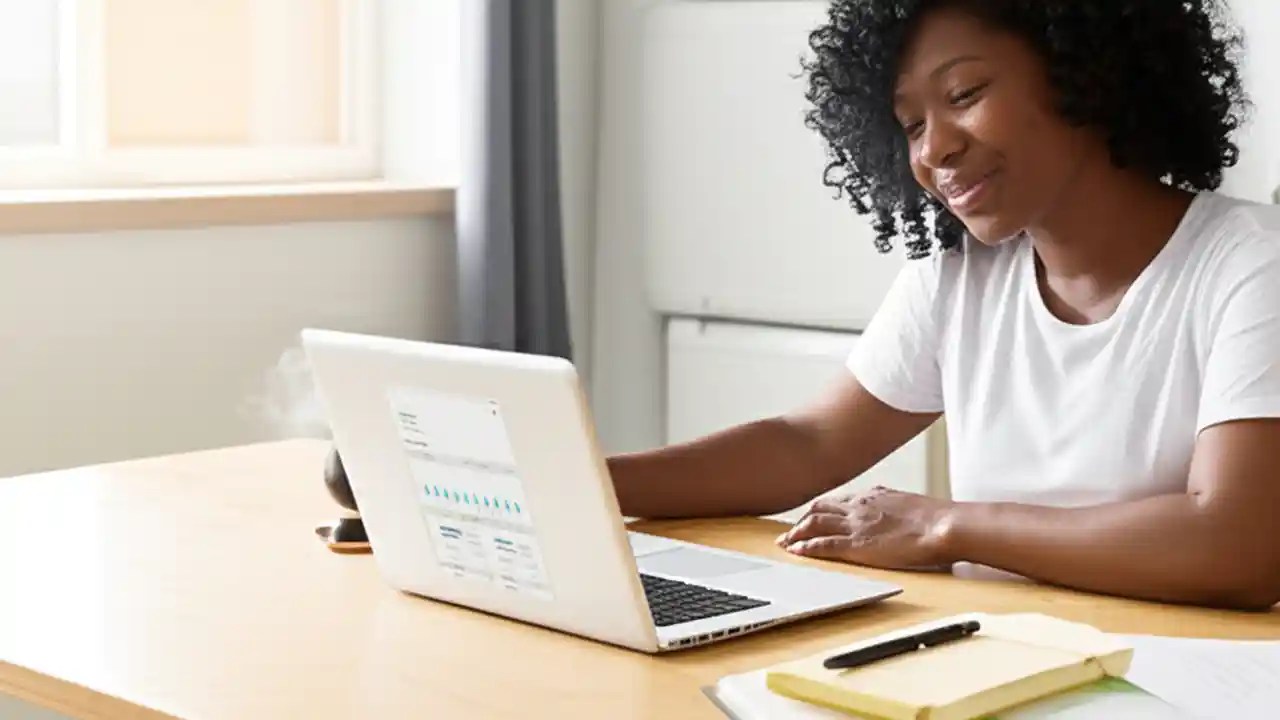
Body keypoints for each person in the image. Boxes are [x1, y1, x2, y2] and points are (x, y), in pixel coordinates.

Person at [606, 0, 1280, 611]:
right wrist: (582, 484)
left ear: (1085, 70)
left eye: (965, 93)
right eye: (910, 124)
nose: (933, 151)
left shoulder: (1251, 264)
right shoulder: (961, 277)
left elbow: (1236, 545)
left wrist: (942, 526)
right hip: (1003, 665)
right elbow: (805, 445)